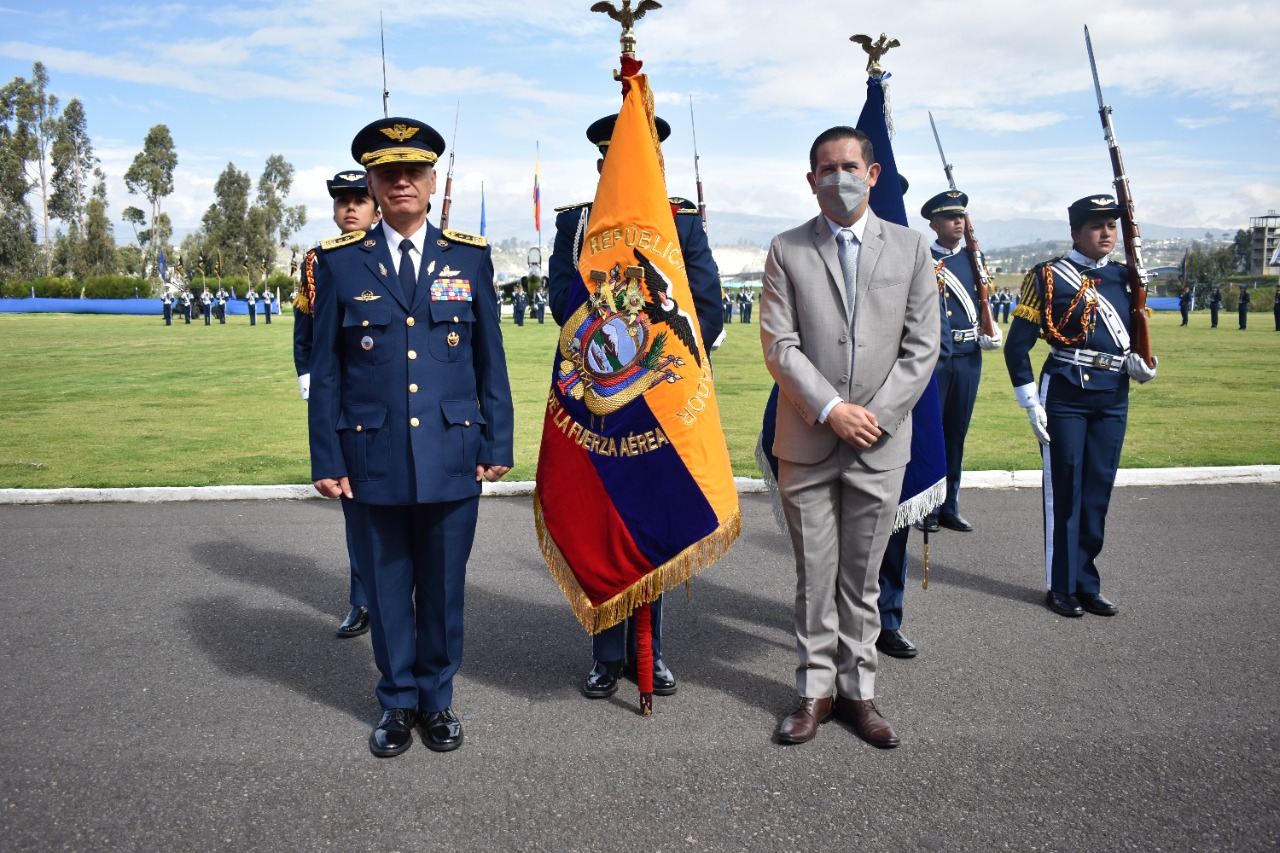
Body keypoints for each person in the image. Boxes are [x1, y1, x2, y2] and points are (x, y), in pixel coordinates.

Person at [309, 116, 513, 757]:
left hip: (452, 452)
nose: (401, 182)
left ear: (432, 182)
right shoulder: (339, 264)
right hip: (370, 456)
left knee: (445, 587)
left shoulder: (469, 258)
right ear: (372, 183)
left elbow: (490, 358)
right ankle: (397, 702)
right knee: (389, 585)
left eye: (413, 172)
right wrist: (327, 455)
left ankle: (438, 700)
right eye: (388, 173)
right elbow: (327, 368)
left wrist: (495, 442)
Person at [760, 126, 939, 748]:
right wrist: (833, 408)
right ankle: (815, 691)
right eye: (825, 169)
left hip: (879, 445)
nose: (838, 177)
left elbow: (921, 348)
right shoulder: (786, 250)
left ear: (873, 174)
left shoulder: (913, 249)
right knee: (815, 574)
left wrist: (875, 416)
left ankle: (860, 693)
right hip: (808, 440)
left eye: (849, 166)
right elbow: (779, 346)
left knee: (861, 576)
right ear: (810, 180)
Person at [548, 112, 724, 701]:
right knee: (603, 521)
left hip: (663, 396)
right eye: (612, 157)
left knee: (655, 516)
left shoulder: (678, 220)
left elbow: (707, 303)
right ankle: (605, 654)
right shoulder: (577, 224)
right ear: (603, 163)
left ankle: (654, 652)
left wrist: (656, 353)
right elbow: (559, 303)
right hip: (599, 393)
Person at [1003, 194, 1158, 619]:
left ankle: (1088, 582)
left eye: (1111, 225)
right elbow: (1017, 347)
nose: (1106, 233)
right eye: (1096, 226)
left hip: (1113, 394)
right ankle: (1061, 585)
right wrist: (1029, 402)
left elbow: (1134, 339)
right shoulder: (1049, 276)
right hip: (1066, 392)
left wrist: (1144, 364)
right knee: (1065, 493)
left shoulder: (1128, 278)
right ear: (1075, 232)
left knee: (1097, 493)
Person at [296, 170, 382, 639]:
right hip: (346, 402)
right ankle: (362, 599)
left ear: (376, 207)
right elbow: (307, 337)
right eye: (343, 201)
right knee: (356, 508)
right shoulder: (318, 262)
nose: (350, 208)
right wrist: (315, 394)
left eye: (359, 200)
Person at [916, 192, 1001, 536]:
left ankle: (950, 505)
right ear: (934, 224)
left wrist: (990, 328)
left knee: (956, 432)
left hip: (968, 358)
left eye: (962, 217)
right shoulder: (921, 258)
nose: (958, 222)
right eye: (950, 218)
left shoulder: (974, 259)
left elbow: (984, 299)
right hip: (934, 360)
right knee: (932, 432)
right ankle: (928, 505)